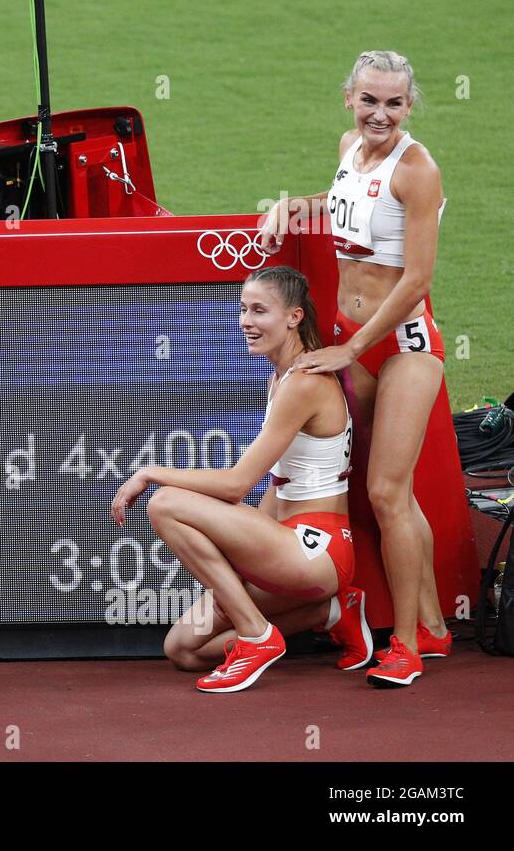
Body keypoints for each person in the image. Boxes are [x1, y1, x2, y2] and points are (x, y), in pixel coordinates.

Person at [257, 50, 450, 688]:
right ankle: (432, 625)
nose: (380, 113)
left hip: (403, 346)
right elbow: (346, 208)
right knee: (393, 490)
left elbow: (417, 277)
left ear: (409, 105)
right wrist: (294, 207)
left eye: (394, 103)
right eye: (370, 100)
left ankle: (405, 647)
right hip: (352, 337)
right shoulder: (350, 148)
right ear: (350, 99)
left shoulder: (417, 169)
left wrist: (350, 346)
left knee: (386, 491)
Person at [110, 267, 369, 693]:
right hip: (282, 548)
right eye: (243, 309)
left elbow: (236, 485)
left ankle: (256, 636)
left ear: (294, 317)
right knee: (183, 650)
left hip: (316, 550)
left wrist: (149, 472)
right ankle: (330, 613)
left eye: (259, 310)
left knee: (165, 503)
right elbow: (276, 482)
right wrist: (245, 550)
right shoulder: (282, 376)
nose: (245, 321)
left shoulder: (303, 384)